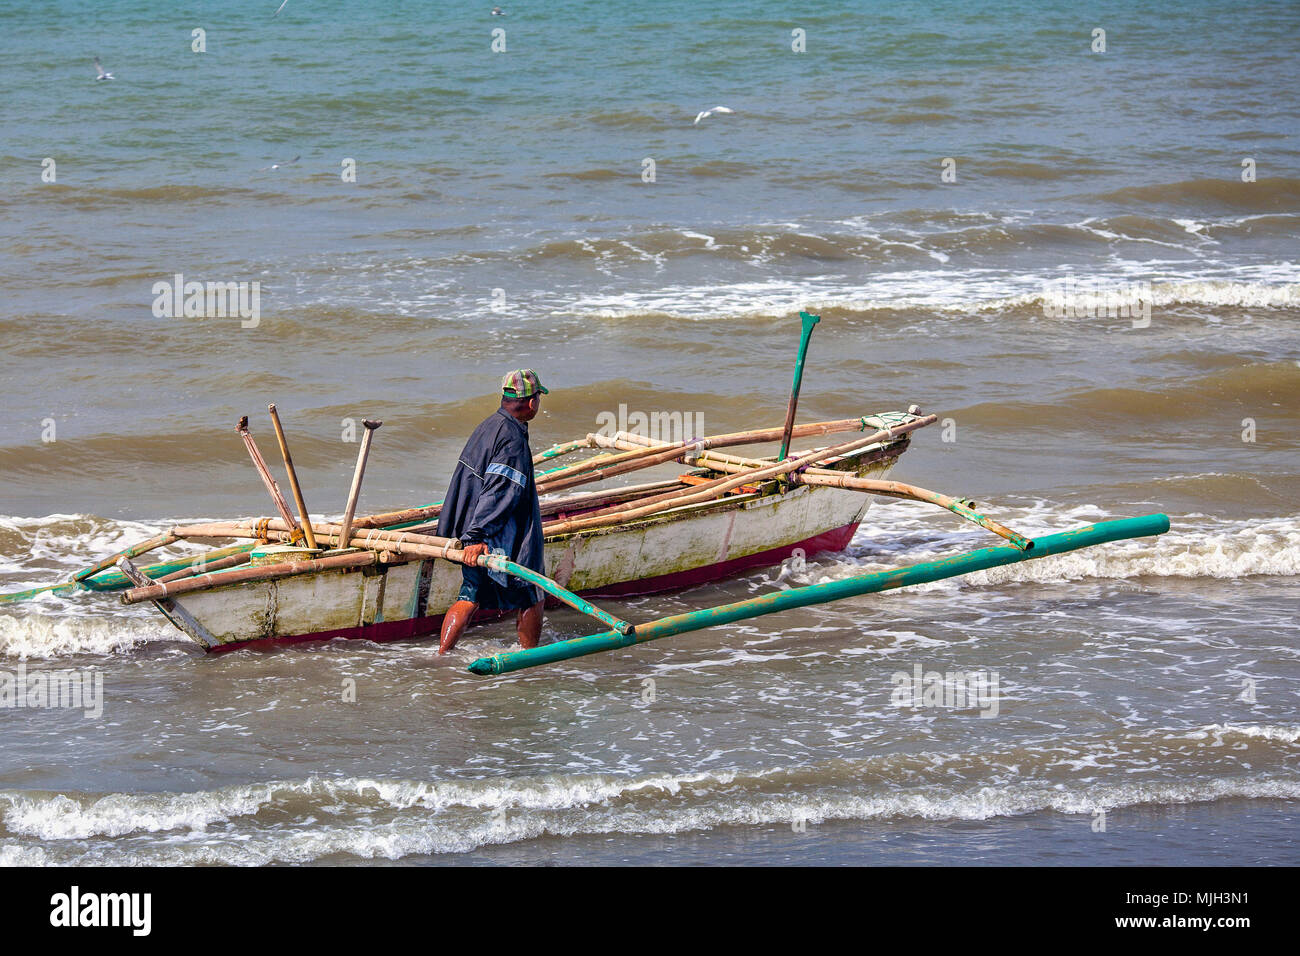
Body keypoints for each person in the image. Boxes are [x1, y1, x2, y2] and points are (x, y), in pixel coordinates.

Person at [436, 369, 549, 654]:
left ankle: (441, 656)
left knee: (470, 595)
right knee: (531, 593)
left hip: (469, 525)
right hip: (496, 534)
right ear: (532, 402)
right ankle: (528, 659)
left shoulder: (489, 426)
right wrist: (478, 535)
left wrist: (466, 532)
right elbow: (500, 491)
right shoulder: (512, 439)